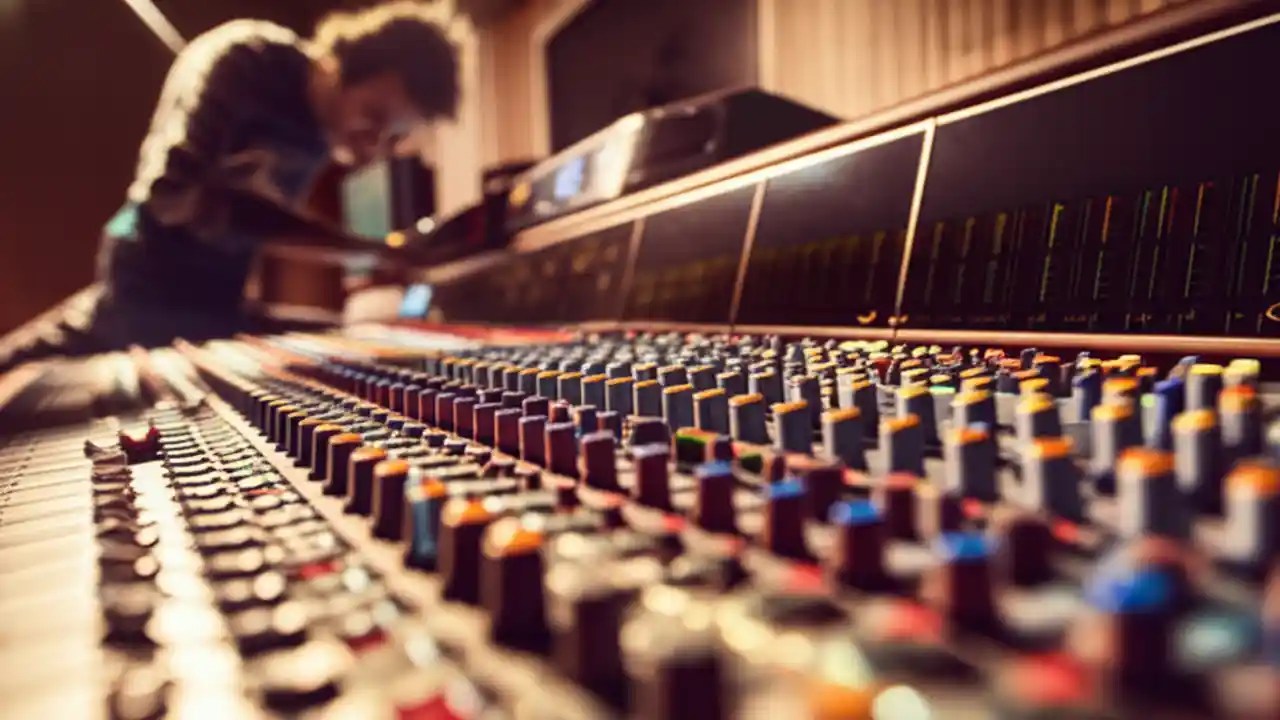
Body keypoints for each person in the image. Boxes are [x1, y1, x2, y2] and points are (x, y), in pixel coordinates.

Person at [0, 2, 458, 369]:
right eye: (375, 117)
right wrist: (374, 249)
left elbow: (245, 232)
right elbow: (182, 199)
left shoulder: (323, 134)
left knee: (353, 343)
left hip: (215, 306)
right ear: (339, 67)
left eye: (393, 135)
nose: (374, 147)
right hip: (146, 292)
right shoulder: (246, 60)